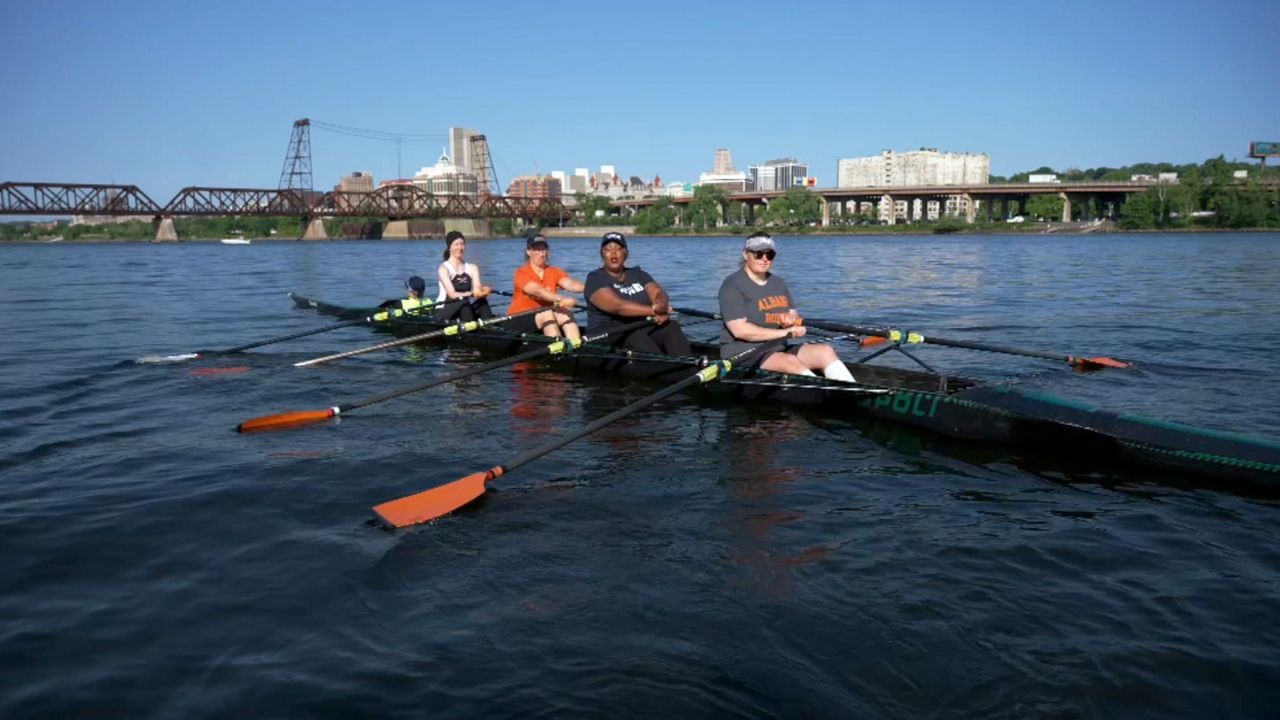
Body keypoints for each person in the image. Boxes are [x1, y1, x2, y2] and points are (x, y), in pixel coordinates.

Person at [717, 231, 856, 382]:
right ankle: (831, 393)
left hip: (777, 348)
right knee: (790, 362)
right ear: (746, 255)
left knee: (825, 351)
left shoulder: (778, 283)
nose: (764, 258)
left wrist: (790, 321)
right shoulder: (732, 285)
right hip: (744, 354)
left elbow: (793, 316)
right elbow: (740, 331)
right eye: (758, 254)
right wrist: (784, 332)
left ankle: (853, 391)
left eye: (770, 255)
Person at [584, 231, 691, 355]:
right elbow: (619, 307)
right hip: (605, 335)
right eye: (608, 249)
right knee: (634, 335)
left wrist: (661, 304)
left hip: (638, 327)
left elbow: (658, 292)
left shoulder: (638, 274)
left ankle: (687, 363)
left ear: (626, 254)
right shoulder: (595, 278)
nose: (613, 253)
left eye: (619, 248)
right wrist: (654, 311)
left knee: (671, 326)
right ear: (602, 254)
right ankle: (662, 364)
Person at [506, 233, 585, 340]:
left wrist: (590, 287)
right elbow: (538, 291)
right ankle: (557, 348)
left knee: (566, 313)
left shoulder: (554, 271)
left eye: (544, 249)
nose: (541, 253)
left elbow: (570, 284)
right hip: (518, 318)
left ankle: (576, 346)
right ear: (528, 251)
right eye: (537, 250)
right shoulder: (521, 273)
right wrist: (562, 299)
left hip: (543, 316)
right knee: (546, 314)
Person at [435, 230, 494, 323]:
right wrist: (470, 294)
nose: (460, 247)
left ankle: (490, 325)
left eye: (462, 244)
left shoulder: (472, 267)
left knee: (482, 301)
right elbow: (452, 294)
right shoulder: (444, 269)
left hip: (464, 309)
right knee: (464, 302)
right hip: (444, 309)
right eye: (456, 244)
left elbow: (477, 290)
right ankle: (472, 328)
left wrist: (483, 291)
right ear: (449, 247)